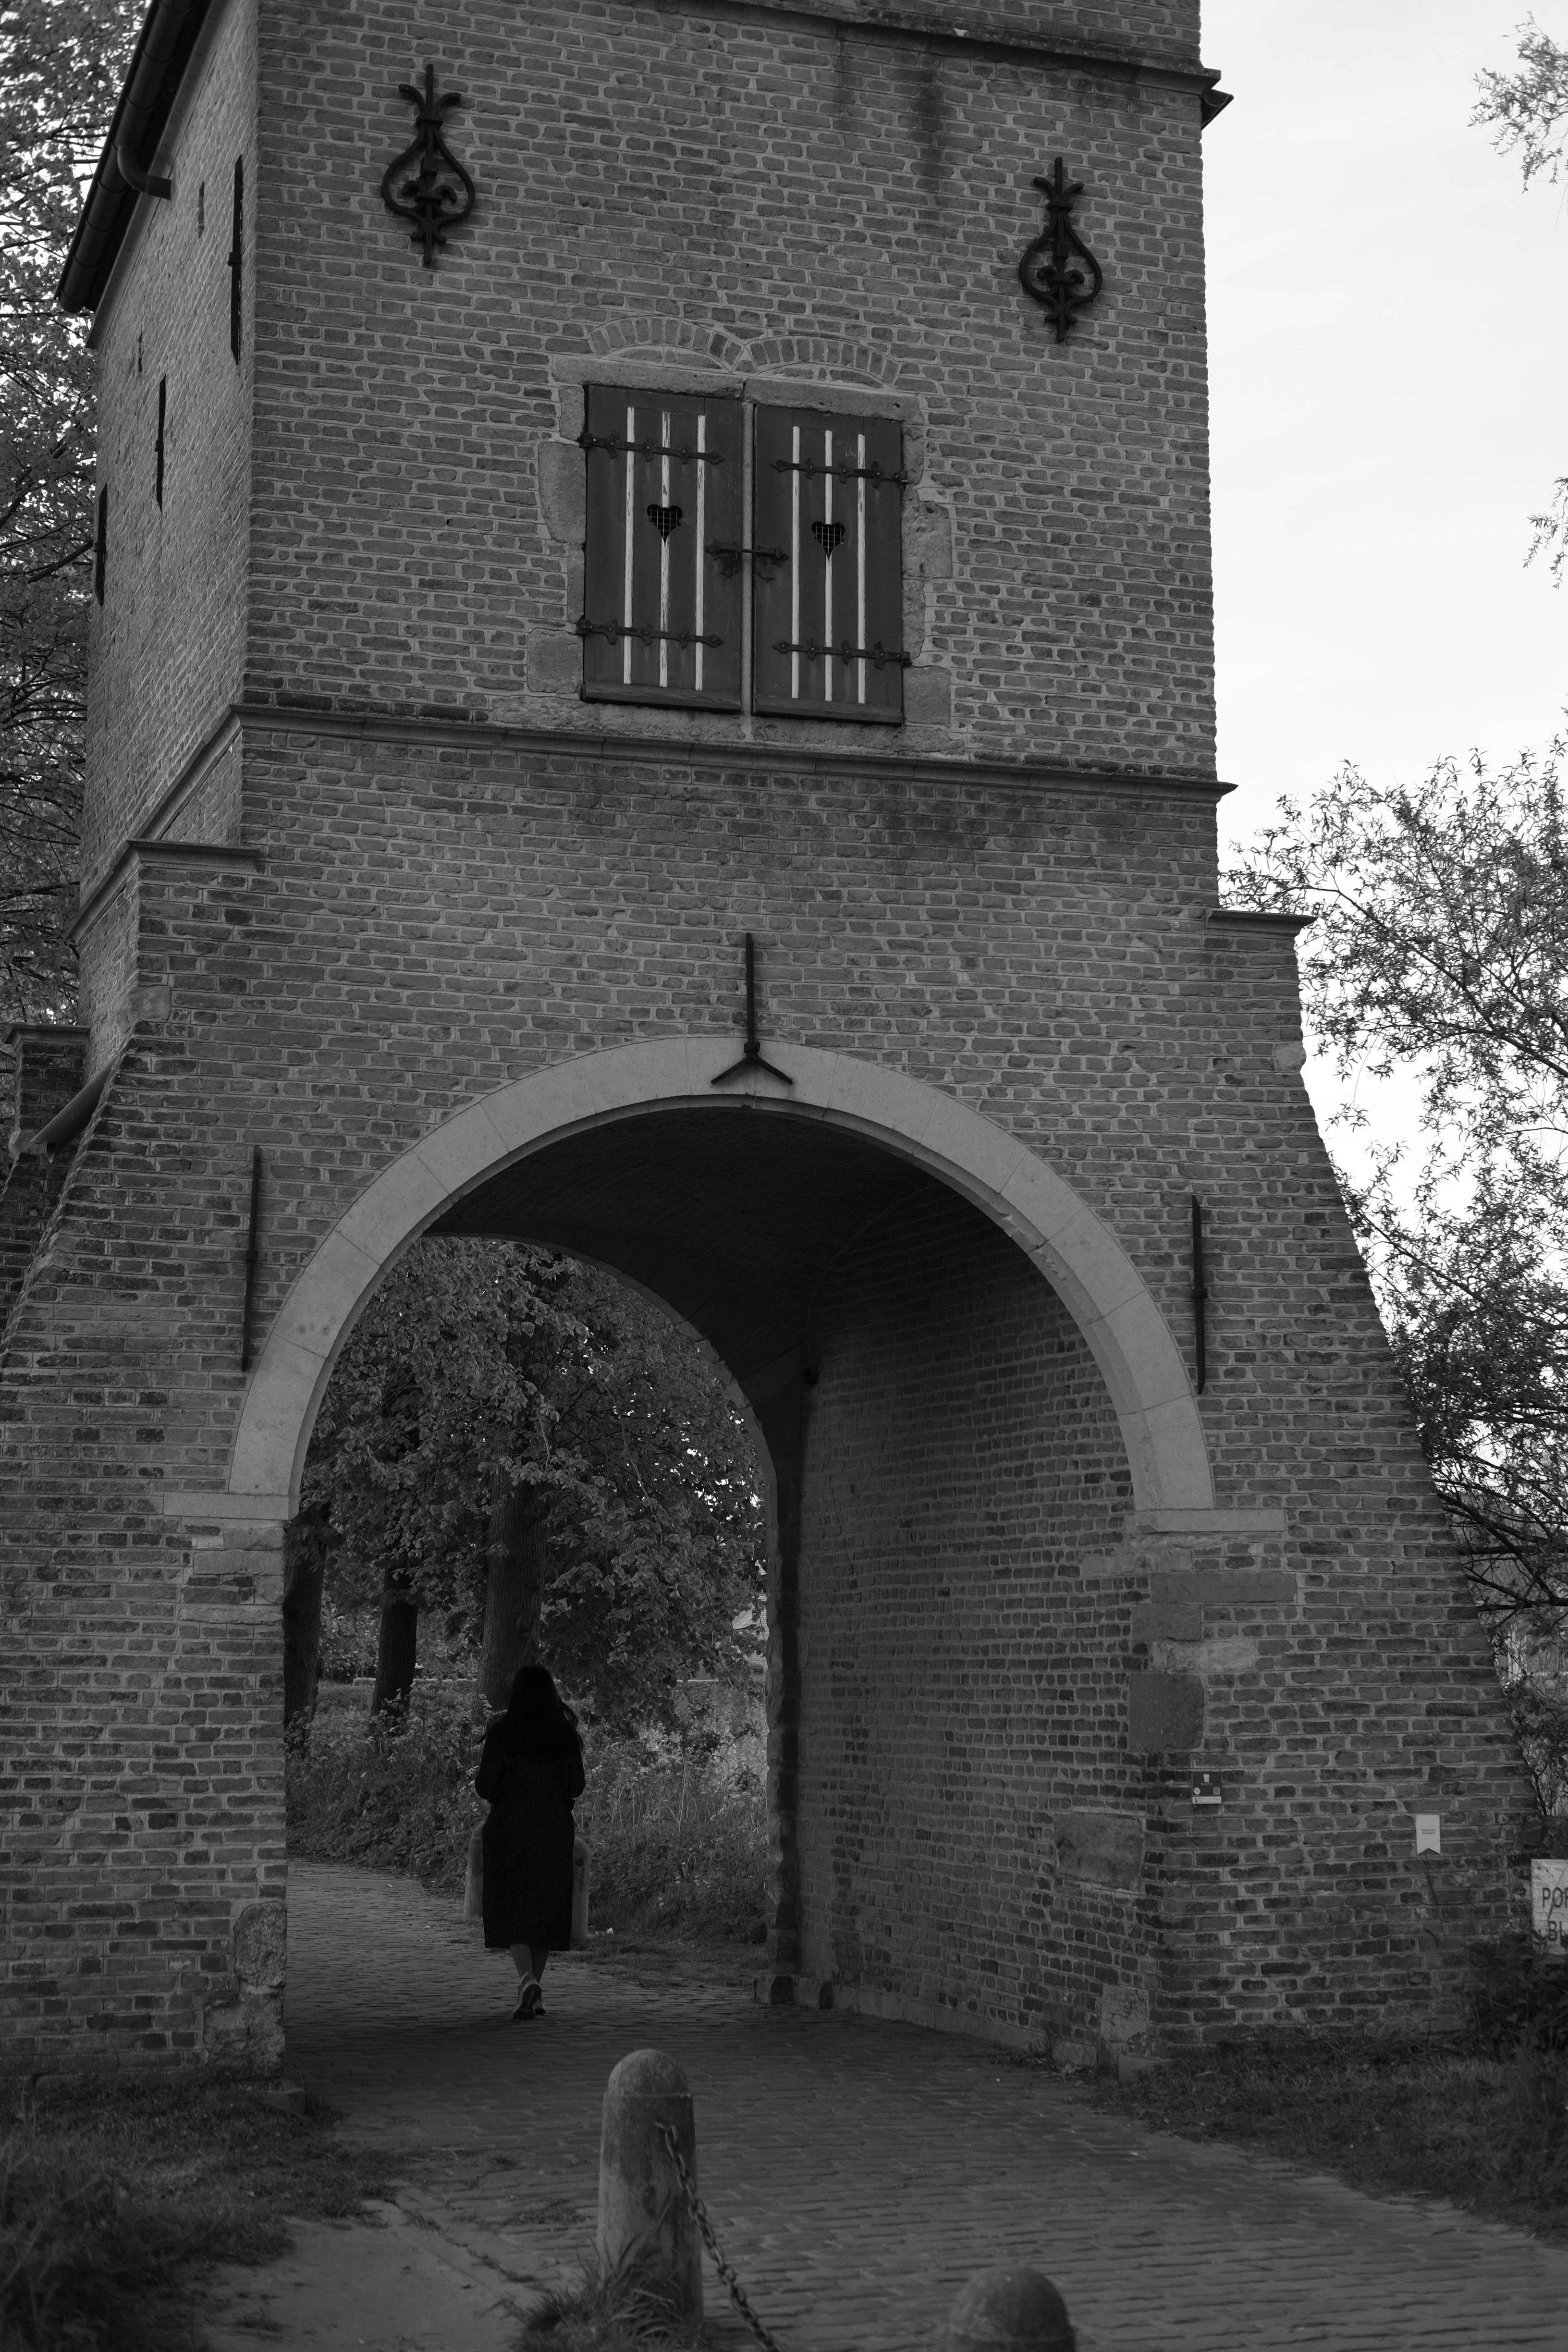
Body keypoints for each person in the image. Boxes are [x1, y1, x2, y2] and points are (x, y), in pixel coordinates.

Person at [475, 1663, 586, 2020]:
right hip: (553, 1830)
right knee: (545, 1910)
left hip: (509, 1828)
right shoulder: (565, 1737)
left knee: (512, 1906)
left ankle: (526, 1981)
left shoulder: (503, 1734)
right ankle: (534, 1990)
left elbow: (486, 1786)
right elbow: (576, 1787)